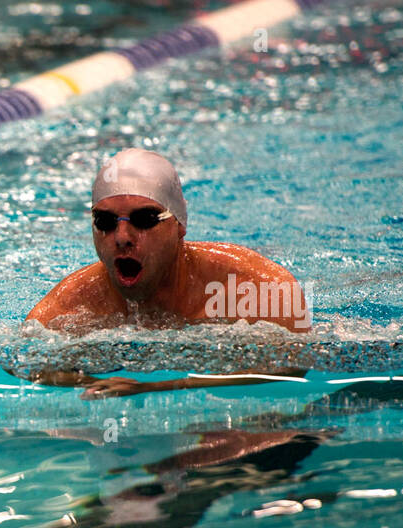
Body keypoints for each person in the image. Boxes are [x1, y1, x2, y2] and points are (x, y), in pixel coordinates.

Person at [25, 148, 310, 398]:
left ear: (180, 225)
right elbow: (24, 364)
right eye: (105, 221)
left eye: (145, 219)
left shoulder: (255, 289)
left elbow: (294, 364)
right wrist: (89, 383)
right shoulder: (68, 309)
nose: (122, 236)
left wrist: (158, 388)